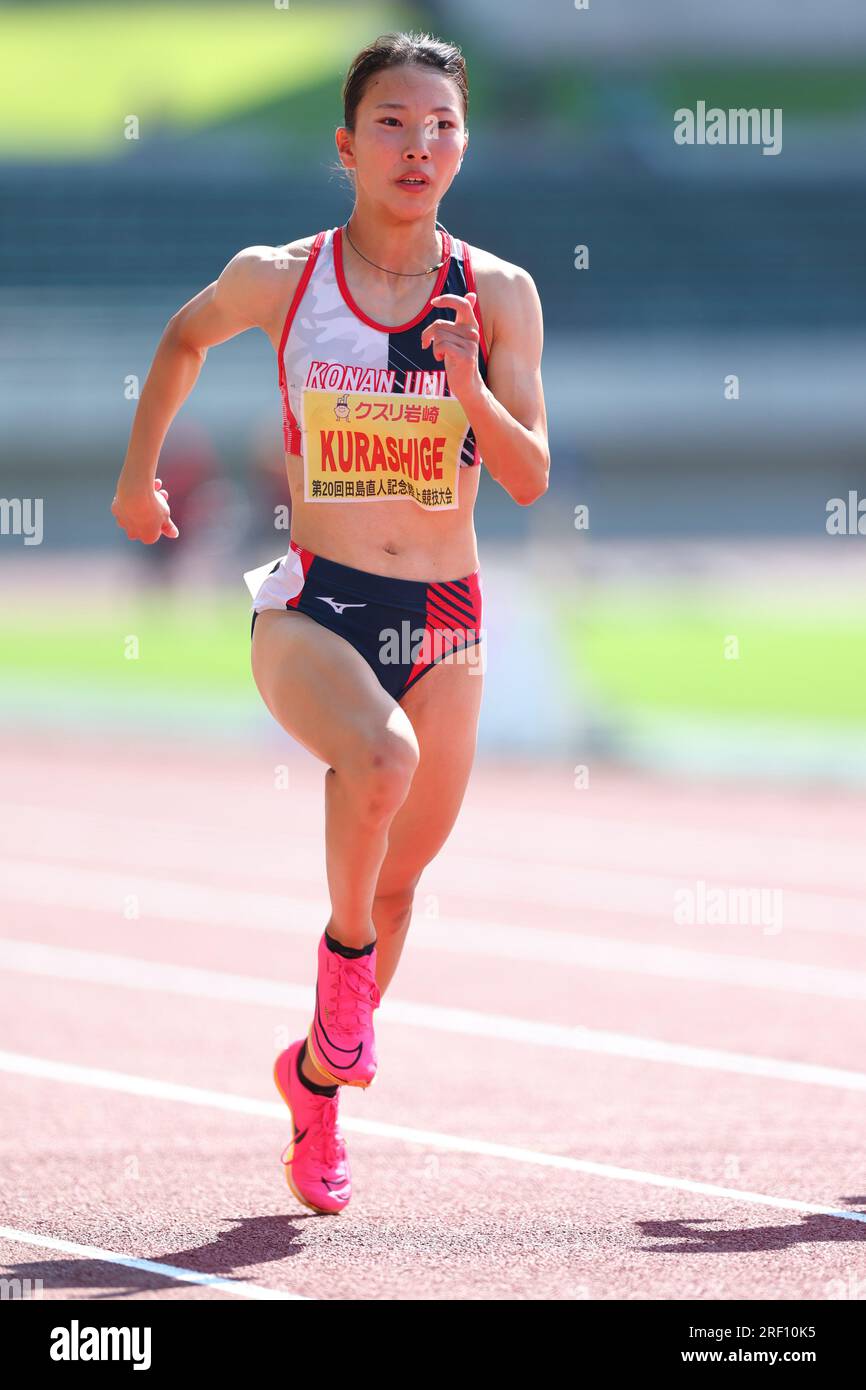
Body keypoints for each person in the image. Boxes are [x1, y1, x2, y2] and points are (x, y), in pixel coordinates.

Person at [111, 30, 549, 1217]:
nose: (421, 146)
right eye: (395, 124)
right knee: (379, 762)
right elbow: (182, 337)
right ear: (346, 145)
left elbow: (526, 475)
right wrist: (135, 476)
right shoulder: (282, 275)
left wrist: (464, 391)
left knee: (401, 884)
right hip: (316, 600)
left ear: (463, 144)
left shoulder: (498, 294)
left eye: (443, 125)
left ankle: (313, 1086)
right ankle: (343, 968)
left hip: (444, 614)